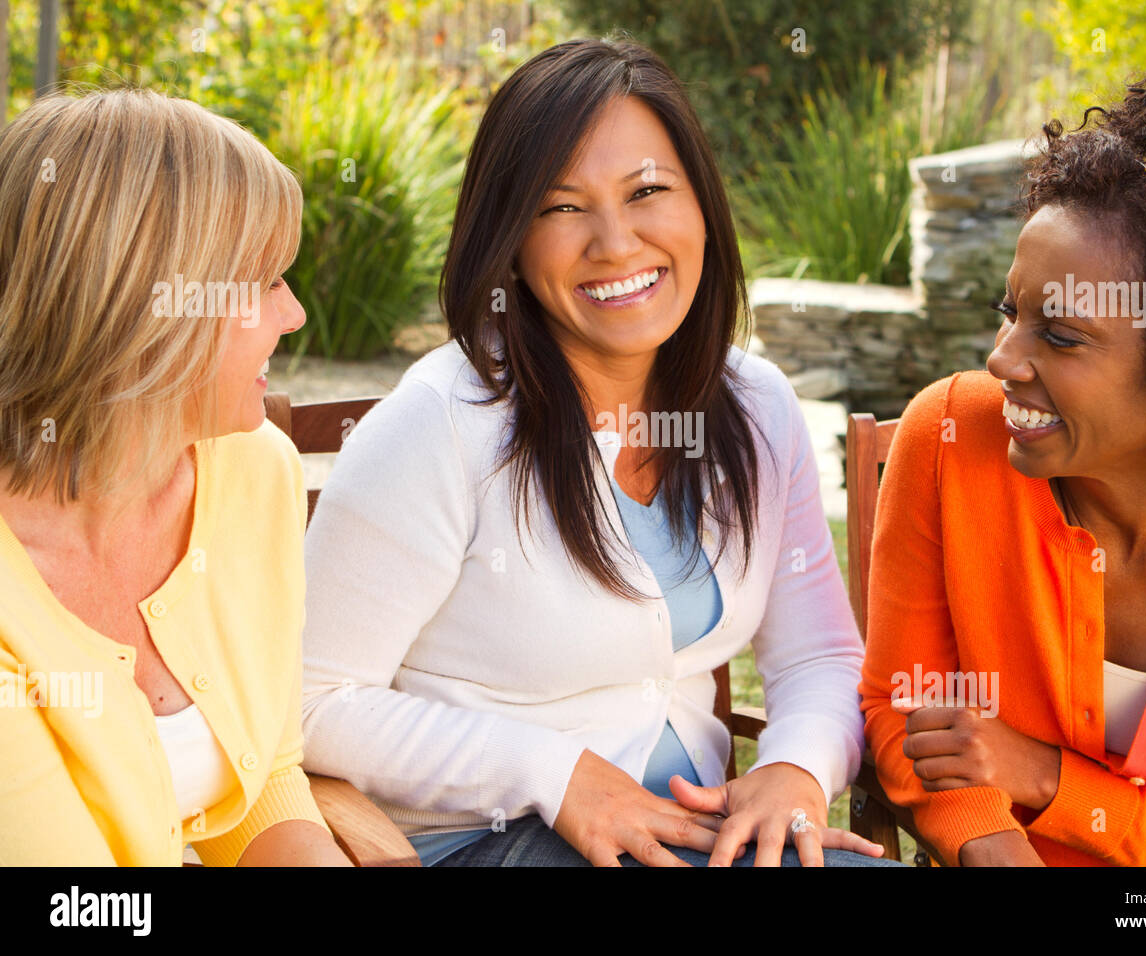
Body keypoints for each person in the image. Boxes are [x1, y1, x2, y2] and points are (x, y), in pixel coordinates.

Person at [299, 38, 894, 867]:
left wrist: (795, 768)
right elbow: (309, 699)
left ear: (702, 208)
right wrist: (552, 774)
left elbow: (819, 655)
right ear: (508, 241)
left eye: (648, 190)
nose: (615, 243)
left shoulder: (758, 409)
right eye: (561, 207)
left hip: (694, 839)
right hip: (489, 842)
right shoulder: (438, 425)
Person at [860, 74, 1146, 866]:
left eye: (1060, 336)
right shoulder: (951, 439)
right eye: (1010, 312)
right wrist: (989, 839)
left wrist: (1044, 777)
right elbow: (907, 704)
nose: (1003, 360)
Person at [0, 89, 350, 866]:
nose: (292, 315)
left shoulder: (256, 473)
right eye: (263, 283)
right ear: (139, 309)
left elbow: (262, 780)